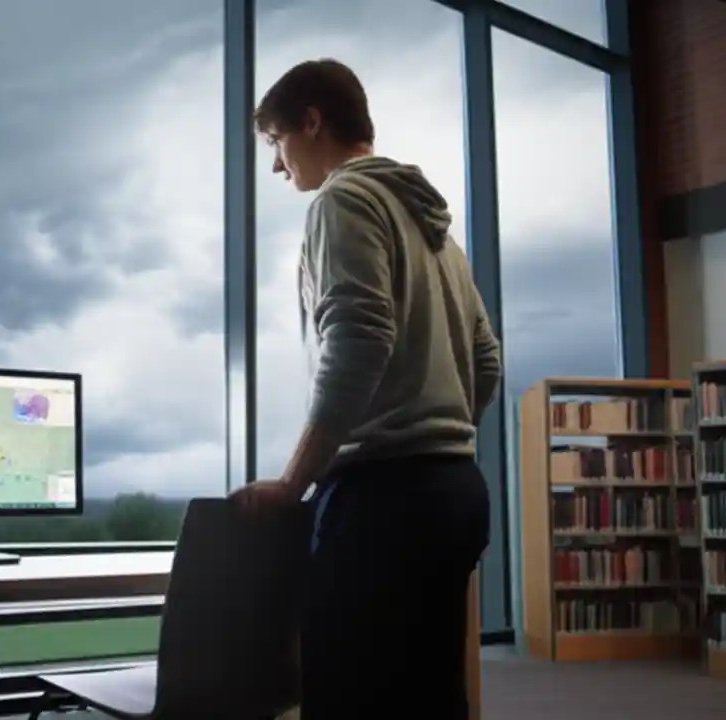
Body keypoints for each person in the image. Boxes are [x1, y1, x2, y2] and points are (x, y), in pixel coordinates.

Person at [231, 58, 501, 719]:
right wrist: (440, 432)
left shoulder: (342, 200)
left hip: (382, 504)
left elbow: (358, 344)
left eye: (276, 142)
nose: (276, 166)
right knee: (430, 696)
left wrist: (294, 483)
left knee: (349, 696)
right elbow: (487, 362)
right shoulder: (437, 233)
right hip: (454, 492)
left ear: (312, 122)